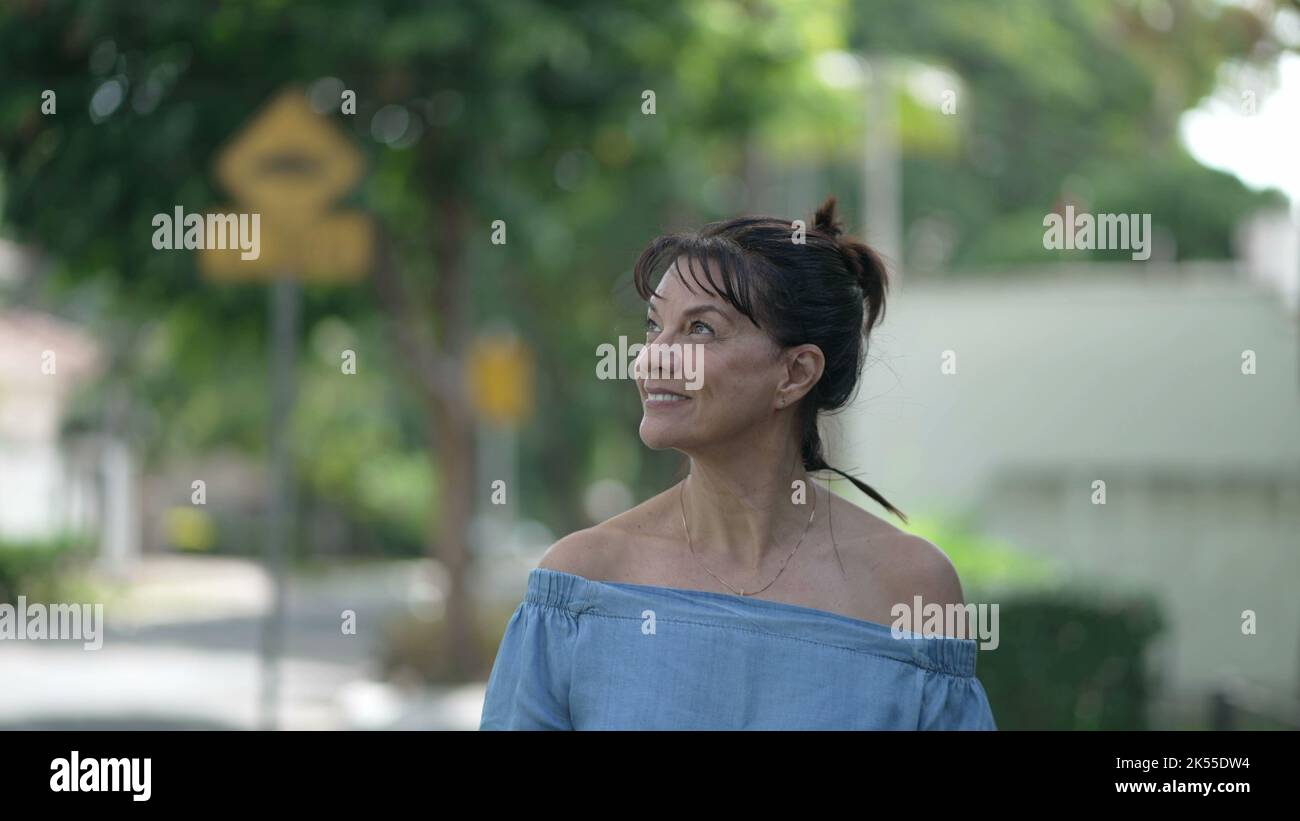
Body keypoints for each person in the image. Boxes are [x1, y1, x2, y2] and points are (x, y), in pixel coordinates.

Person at [479, 196, 997, 730]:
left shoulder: (911, 590)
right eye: (654, 326)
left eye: (699, 329)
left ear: (795, 373)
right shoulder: (581, 583)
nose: (652, 356)